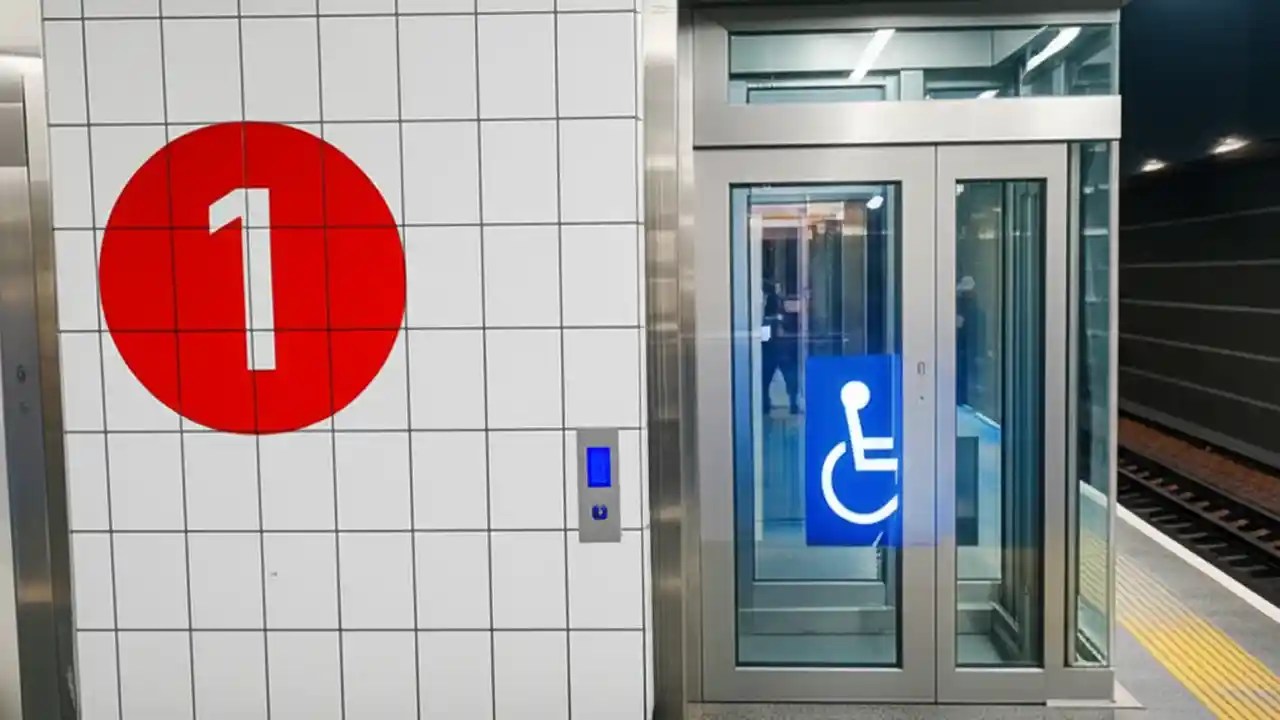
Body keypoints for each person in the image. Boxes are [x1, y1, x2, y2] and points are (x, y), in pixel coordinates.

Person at [761, 281, 800, 414]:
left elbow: (764, 339)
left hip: (771, 352)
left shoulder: (766, 321)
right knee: (791, 379)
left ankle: (765, 404)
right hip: (784, 351)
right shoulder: (785, 319)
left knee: (765, 380)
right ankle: (793, 404)